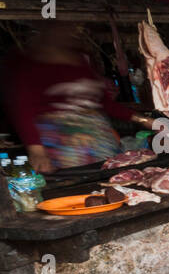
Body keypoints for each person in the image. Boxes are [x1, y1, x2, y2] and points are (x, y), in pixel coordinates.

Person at [2, 21, 151, 172]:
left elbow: (105, 103)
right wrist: (36, 150)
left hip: (99, 141)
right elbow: (22, 108)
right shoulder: (25, 61)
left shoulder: (81, 60)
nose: (69, 33)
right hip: (62, 144)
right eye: (61, 27)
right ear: (44, 29)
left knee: (112, 182)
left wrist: (144, 120)